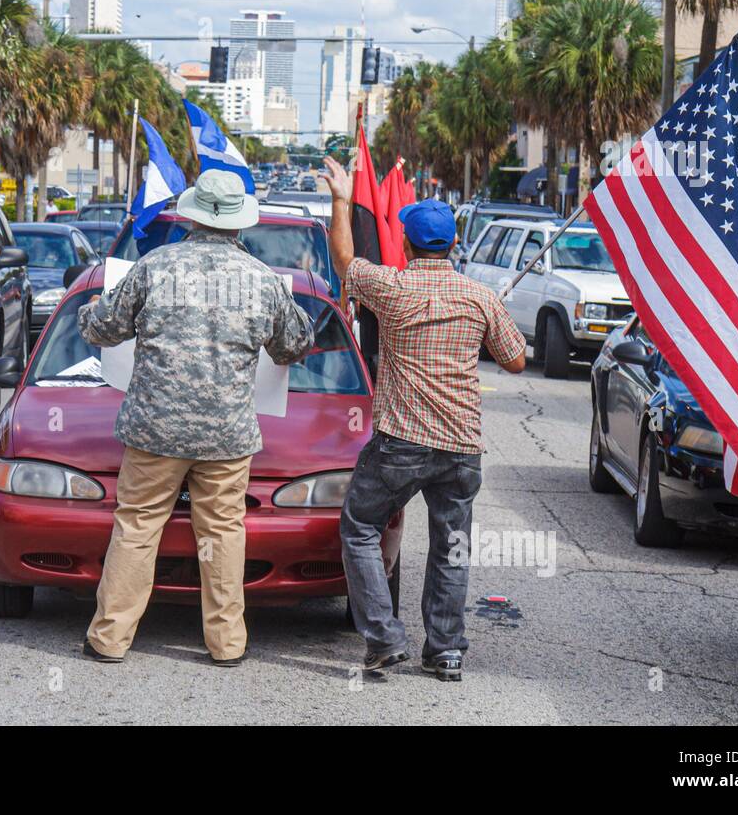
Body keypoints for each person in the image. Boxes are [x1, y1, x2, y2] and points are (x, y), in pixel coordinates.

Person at [77, 169, 314, 666]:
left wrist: (91, 309)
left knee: (138, 527)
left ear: (192, 215)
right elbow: (295, 344)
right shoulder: (262, 280)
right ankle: (226, 644)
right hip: (226, 434)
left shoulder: (155, 266)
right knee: (224, 532)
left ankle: (110, 638)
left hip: (153, 430)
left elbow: (103, 330)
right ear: (238, 225)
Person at [322, 157, 526, 682]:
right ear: (453, 246)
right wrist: (488, 315)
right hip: (461, 448)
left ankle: (384, 637)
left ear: (407, 245)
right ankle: (445, 650)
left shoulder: (391, 288)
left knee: (361, 527)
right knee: (451, 547)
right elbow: (517, 360)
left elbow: (344, 260)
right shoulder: (479, 296)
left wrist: (342, 201)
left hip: (401, 443)